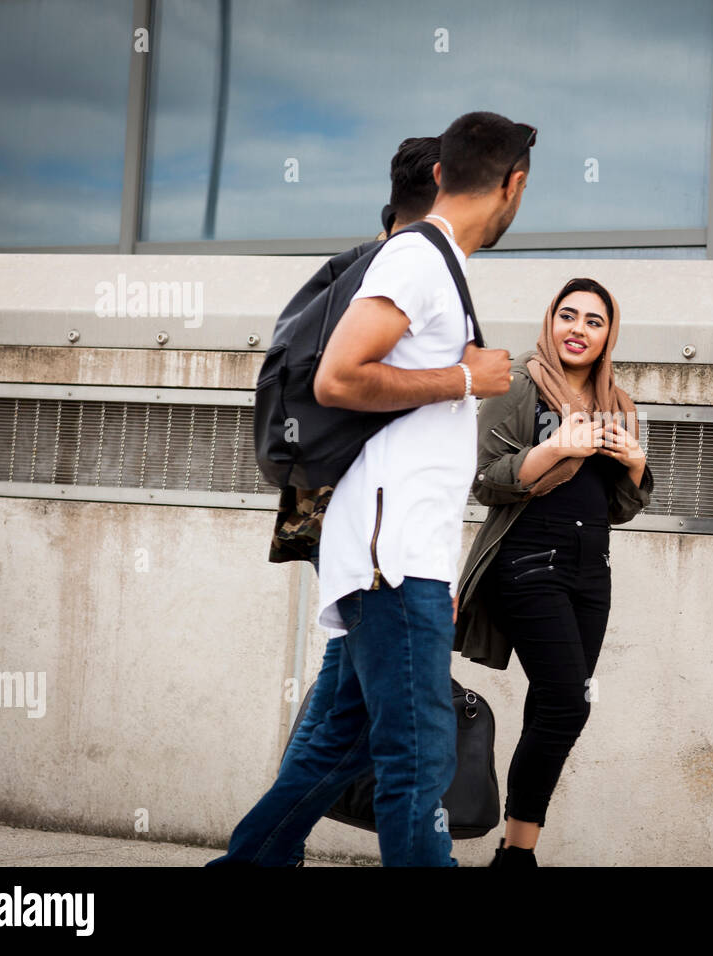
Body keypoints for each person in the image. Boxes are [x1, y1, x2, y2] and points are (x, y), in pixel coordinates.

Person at [209, 110, 531, 867]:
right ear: (514, 186)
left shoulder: (435, 262)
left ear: (444, 174)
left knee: (334, 746)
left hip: (400, 556)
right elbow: (339, 376)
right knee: (417, 762)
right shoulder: (416, 259)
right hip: (393, 561)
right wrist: (464, 378)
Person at [267, 135, 440, 867]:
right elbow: (355, 387)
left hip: (334, 501)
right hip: (366, 518)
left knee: (344, 693)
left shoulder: (362, 261)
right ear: (444, 182)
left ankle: (272, 848)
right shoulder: (398, 272)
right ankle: (271, 848)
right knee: (370, 714)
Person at [453, 277, 654, 866]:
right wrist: (557, 447)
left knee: (553, 702)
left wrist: (637, 465)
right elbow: (485, 479)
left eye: (594, 321)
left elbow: (616, 507)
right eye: (568, 316)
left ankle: (516, 852)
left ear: (608, 334)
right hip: (528, 558)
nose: (579, 329)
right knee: (570, 703)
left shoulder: (617, 403)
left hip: (592, 571)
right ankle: (517, 857)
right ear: (551, 321)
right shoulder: (520, 383)